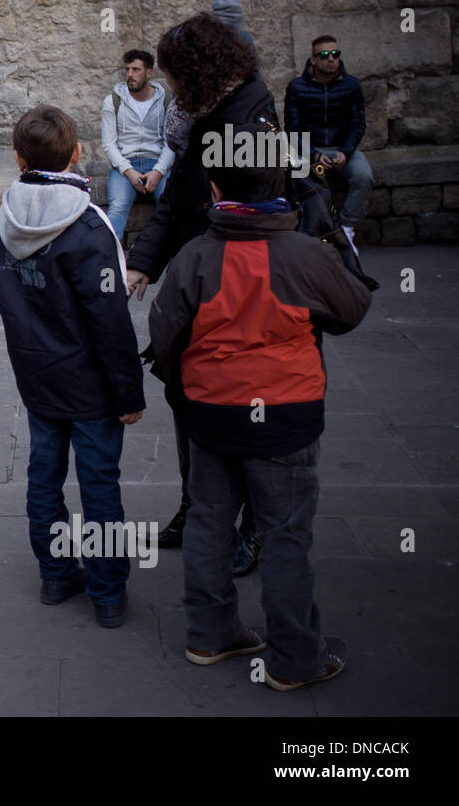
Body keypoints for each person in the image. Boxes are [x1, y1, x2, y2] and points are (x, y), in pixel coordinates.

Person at [148, 129, 371, 689]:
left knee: (208, 522)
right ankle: (296, 658)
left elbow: (164, 335)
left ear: (216, 186)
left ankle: (209, 632)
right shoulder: (303, 253)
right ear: (282, 186)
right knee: (285, 535)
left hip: (211, 412)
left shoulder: (195, 256)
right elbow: (352, 309)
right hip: (286, 414)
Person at [0, 105, 145, 628]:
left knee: (44, 476)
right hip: (90, 385)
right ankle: (107, 594)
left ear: (18, 158)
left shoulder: (8, 217)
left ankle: (55, 574)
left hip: (37, 375)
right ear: (77, 153)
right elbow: (110, 319)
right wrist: (129, 393)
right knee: (100, 485)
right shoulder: (88, 225)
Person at [126, 13, 267, 573]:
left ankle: (251, 526)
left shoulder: (246, 120)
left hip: (236, 289)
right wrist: (142, 264)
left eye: (177, 75)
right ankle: (196, 506)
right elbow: (177, 202)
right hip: (196, 281)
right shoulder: (198, 119)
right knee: (186, 398)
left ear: (200, 72)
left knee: (240, 408)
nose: (173, 88)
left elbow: (256, 214)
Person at [284, 34, 373, 251]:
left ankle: (347, 228)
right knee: (295, 178)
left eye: (335, 54)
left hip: (342, 148)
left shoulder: (351, 85)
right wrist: (314, 155)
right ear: (313, 59)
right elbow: (292, 130)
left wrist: (345, 151)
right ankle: (310, 233)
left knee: (363, 176)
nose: (331, 59)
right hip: (309, 148)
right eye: (324, 55)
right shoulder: (297, 87)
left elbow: (357, 125)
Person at [99, 49, 174, 240]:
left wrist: (157, 172)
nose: (130, 75)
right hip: (125, 166)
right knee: (117, 208)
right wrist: (129, 172)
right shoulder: (113, 101)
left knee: (172, 208)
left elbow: (171, 143)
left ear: (149, 73)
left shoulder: (166, 101)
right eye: (127, 70)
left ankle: (177, 260)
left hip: (158, 164)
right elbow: (109, 144)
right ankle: (109, 260)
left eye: (136, 70)